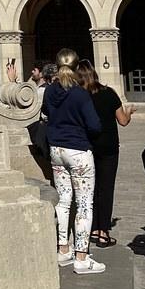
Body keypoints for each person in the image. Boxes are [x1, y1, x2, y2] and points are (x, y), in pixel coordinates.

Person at [43, 48, 105, 275]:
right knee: (85, 204)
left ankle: (63, 250)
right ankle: (81, 257)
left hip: (56, 149)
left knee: (63, 200)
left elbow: (46, 112)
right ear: (77, 66)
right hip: (78, 151)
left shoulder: (50, 91)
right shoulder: (80, 94)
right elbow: (95, 125)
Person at [77, 59, 135, 248]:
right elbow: (123, 121)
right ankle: (103, 232)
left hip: (87, 147)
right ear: (94, 73)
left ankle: (92, 228)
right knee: (106, 188)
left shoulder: (79, 96)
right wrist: (129, 112)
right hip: (109, 148)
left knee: (90, 189)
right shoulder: (109, 93)